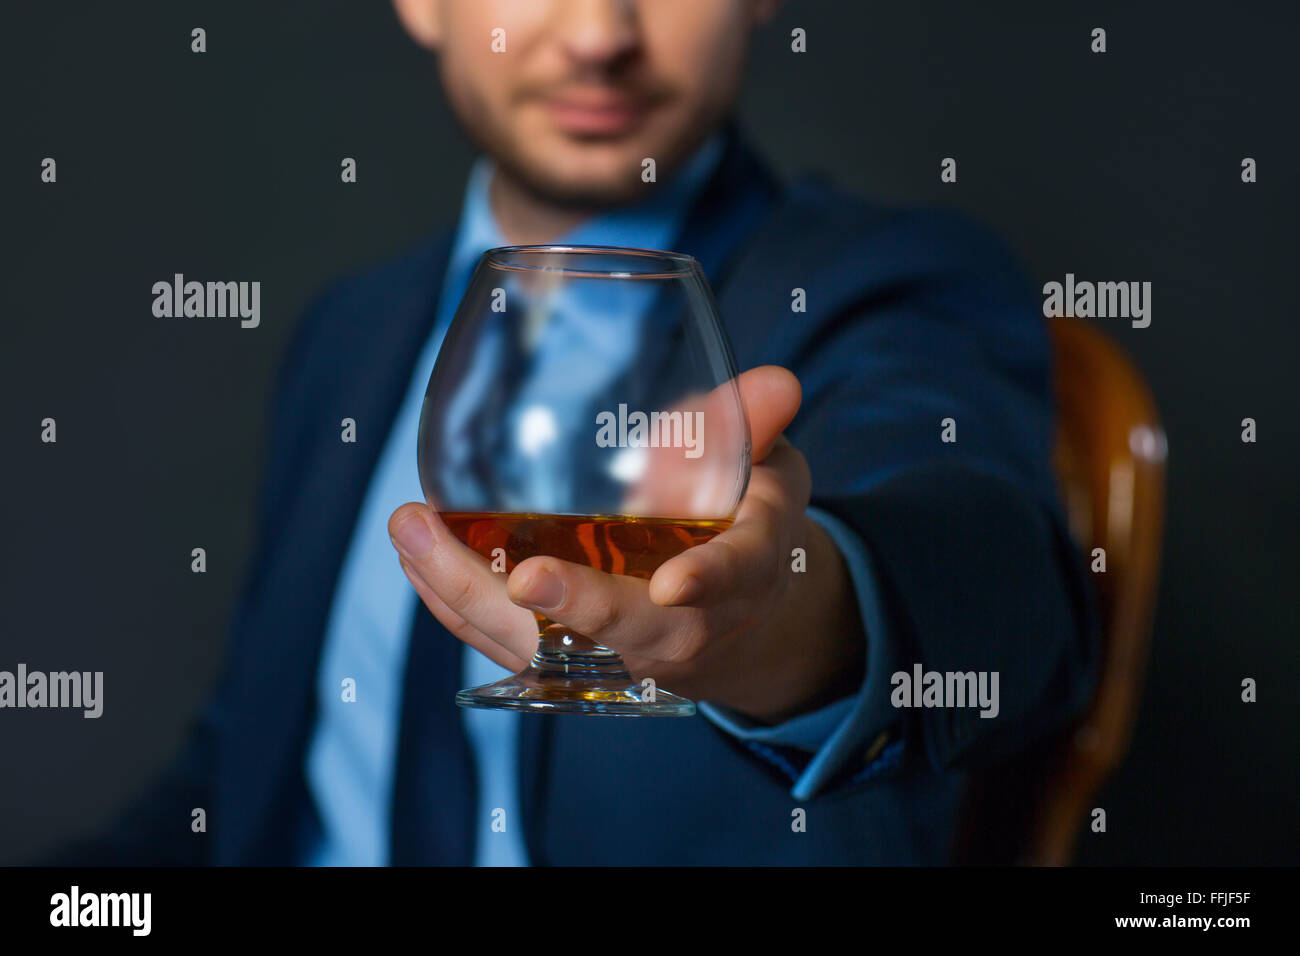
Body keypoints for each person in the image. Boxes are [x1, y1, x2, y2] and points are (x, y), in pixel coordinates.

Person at [53, 0, 1096, 865]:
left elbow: (1000, 589)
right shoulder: (348, 331)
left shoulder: (891, 286)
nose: (600, 32)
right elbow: (248, 769)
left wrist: (785, 622)